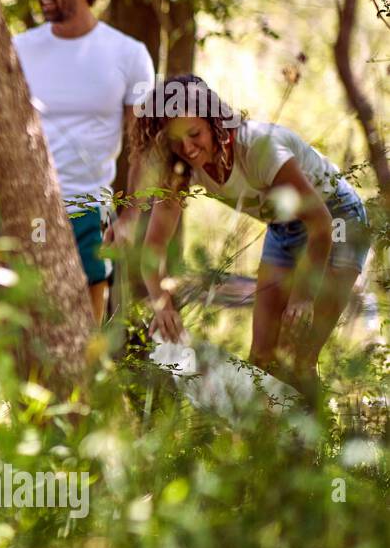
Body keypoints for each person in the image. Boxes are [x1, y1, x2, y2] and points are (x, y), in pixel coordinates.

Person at [135, 74, 371, 403]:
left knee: (298, 356)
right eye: (176, 141)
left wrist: (302, 297)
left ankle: (316, 445)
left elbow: (320, 223)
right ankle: (270, 446)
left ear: (214, 122)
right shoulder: (181, 168)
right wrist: (161, 303)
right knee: (260, 360)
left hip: (336, 219)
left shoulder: (259, 147)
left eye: (195, 134)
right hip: (284, 227)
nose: (187, 148)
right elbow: (153, 247)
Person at [14, 0, 156, 322]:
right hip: (25, 210)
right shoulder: (18, 49)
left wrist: (130, 220)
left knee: (84, 338)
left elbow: (144, 147)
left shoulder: (129, 55)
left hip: (88, 212)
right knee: (23, 334)